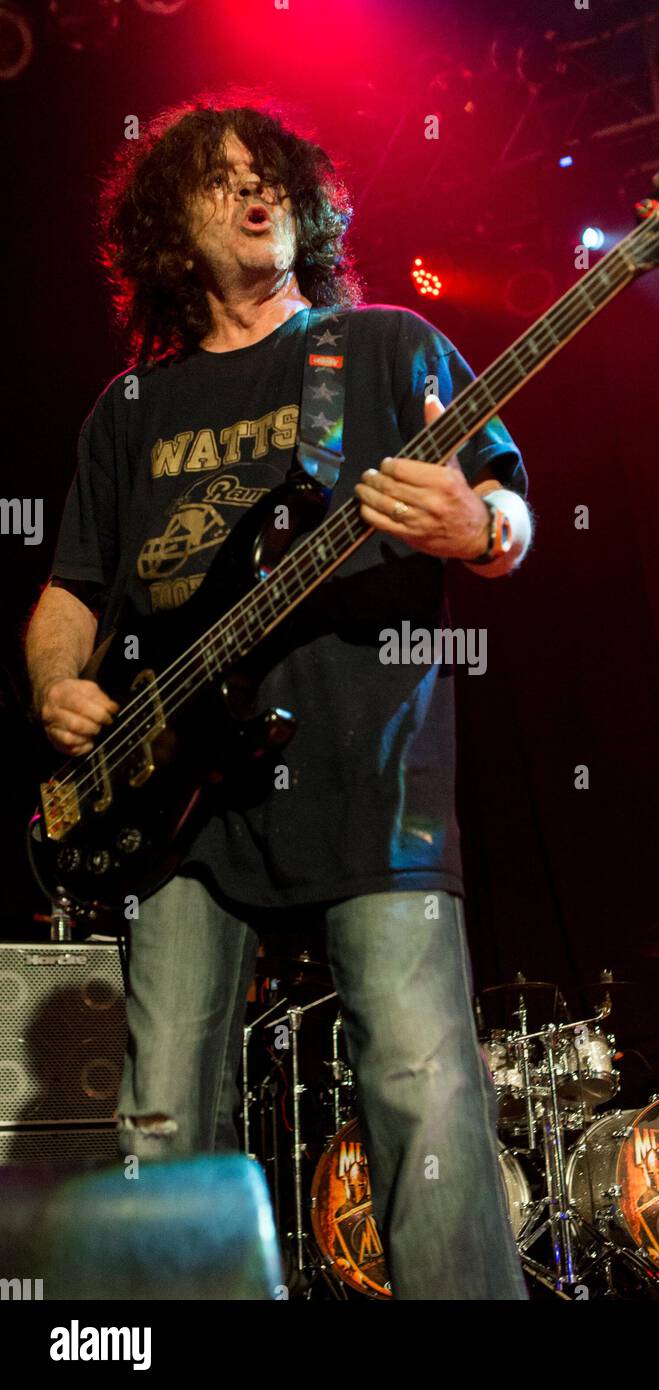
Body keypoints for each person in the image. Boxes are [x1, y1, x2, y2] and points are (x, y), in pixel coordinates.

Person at [25, 96, 532, 1300]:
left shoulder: (383, 348)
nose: (259, 194)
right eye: (222, 179)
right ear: (165, 231)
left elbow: (514, 512)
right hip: (177, 810)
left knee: (420, 1092)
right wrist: (56, 684)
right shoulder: (129, 409)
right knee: (157, 1119)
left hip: (372, 778)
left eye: (275, 177)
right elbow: (69, 594)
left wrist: (477, 526)